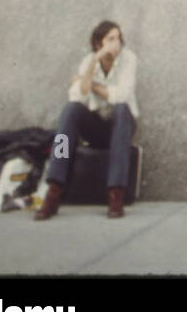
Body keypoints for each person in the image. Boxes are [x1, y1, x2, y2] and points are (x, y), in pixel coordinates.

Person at [34, 20, 138, 221]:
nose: (117, 43)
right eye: (111, 39)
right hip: (96, 128)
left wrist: (90, 85)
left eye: (118, 38)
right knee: (71, 110)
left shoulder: (129, 59)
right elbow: (77, 95)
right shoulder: (89, 60)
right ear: (99, 44)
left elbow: (122, 96)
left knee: (122, 110)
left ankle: (116, 194)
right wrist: (92, 66)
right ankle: (54, 189)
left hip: (121, 127)